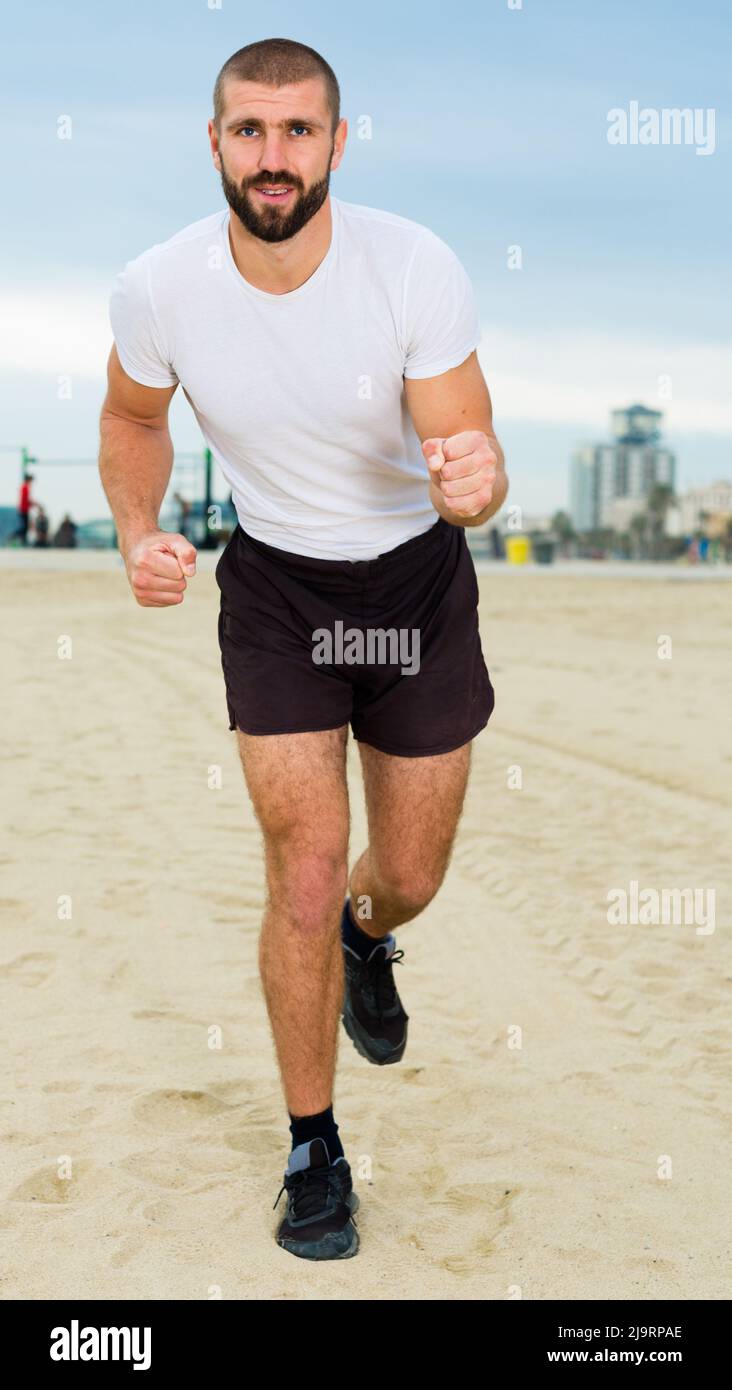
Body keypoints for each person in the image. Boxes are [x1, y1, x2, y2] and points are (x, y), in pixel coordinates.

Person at [99, 37, 508, 1263]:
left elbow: (467, 457)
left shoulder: (412, 265)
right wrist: (136, 528)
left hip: (414, 581)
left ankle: (366, 934)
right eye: (248, 131)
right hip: (275, 586)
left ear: (338, 141)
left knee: (409, 873)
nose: (272, 157)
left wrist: (478, 483)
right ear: (214, 142)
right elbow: (131, 416)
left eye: (298, 131)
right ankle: (313, 1146)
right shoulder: (161, 284)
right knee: (304, 865)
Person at [9, 473, 35, 545]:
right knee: (24, 528)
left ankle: (21, 540)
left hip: (24, 509)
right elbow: (26, 500)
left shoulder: (25, 487)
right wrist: (34, 504)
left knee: (25, 527)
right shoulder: (25, 487)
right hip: (24, 510)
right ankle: (14, 537)